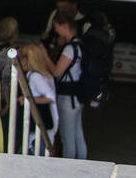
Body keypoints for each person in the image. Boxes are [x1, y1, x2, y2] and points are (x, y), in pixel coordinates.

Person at [52, 16, 88, 159]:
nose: (55, 30)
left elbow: (56, 72)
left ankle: (69, 171)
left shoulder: (69, 48)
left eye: (56, 26)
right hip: (78, 95)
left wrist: (43, 57)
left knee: (67, 138)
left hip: (67, 97)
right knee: (78, 134)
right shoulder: (81, 44)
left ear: (65, 26)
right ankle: (83, 164)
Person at [17, 42, 58, 155]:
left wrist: (28, 99)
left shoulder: (36, 76)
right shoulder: (43, 74)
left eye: (23, 59)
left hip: (40, 129)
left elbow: (50, 97)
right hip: (42, 127)